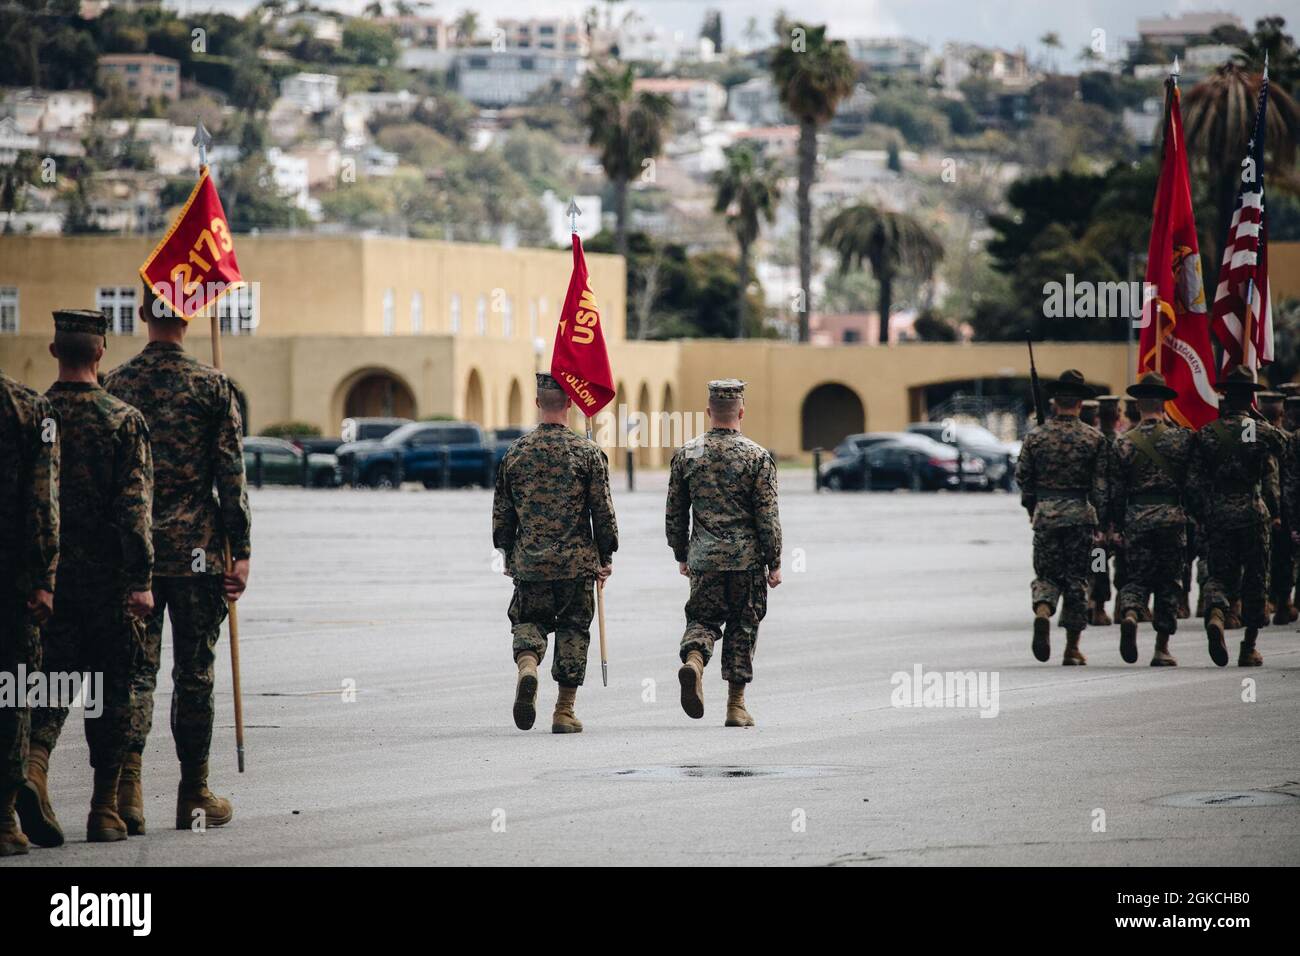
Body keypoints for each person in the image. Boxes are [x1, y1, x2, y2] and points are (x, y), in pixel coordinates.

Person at [103, 282, 251, 831]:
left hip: (133, 557)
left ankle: (128, 792)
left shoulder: (115, 383)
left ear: (141, 311)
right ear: (191, 312)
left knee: (135, 674)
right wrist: (242, 551)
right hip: (197, 554)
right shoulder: (213, 386)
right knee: (195, 673)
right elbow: (230, 477)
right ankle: (193, 791)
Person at [23, 311, 153, 846]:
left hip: (46, 580)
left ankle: (33, 770)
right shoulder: (122, 419)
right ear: (100, 353)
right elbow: (134, 509)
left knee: (49, 681)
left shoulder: (33, 416)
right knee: (112, 691)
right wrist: (142, 579)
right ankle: (104, 809)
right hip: (109, 582)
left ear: (55, 351)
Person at [492, 373, 617, 734]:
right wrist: (605, 555)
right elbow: (602, 512)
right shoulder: (588, 453)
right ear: (572, 404)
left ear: (537, 404)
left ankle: (528, 666)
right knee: (574, 630)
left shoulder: (515, 453)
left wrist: (506, 551)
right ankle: (564, 711)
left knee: (529, 622)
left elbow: (502, 511)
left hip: (530, 562)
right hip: (576, 565)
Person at [667, 380, 782, 726]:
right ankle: (735, 706)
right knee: (742, 628)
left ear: (708, 412)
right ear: (741, 412)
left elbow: (675, 512)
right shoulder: (757, 457)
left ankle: (694, 662)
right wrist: (774, 560)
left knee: (702, 620)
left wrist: (681, 554)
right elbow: (767, 516)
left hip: (704, 559)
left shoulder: (688, 454)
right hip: (746, 563)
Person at [1188, 366, 1285, 666]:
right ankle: (1248, 646)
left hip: (1218, 514)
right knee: (1256, 578)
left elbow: (1192, 482)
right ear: (1250, 399)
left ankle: (1216, 614)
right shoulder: (1255, 430)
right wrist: (1260, 421)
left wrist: (1204, 513)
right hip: (1252, 513)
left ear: (1225, 398)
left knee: (1219, 574)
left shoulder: (1206, 434)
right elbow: (1285, 446)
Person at [0, 366, 59, 857]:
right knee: (13, 692)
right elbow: (42, 505)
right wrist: (43, 578)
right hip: (12, 581)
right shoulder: (26, 408)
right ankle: (2, 819)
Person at [1015, 370, 1108, 665]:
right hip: (1080, 516)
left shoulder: (1036, 436)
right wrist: (1103, 522)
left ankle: (1043, 610)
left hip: (1046, 516)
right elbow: (1101, 486)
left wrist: (1033, 507)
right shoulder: (1093, 438)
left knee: (1046, 576)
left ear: (1055, 403)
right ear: (1081, 403)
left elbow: (1023, 477)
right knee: (1077, 580)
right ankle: (1071, 648)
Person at [1108, 372, 1193, 666]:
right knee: (1169, 582)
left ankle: (1130, 613)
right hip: (1172, 518)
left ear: (1138, 405)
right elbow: (1193, 484)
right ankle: (1161, 648)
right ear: (1164, 404)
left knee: (1136, 577)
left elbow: (1114, 492)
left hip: (1136, 519)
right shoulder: (1182, 439)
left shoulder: (1122, 443)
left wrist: (1115, 527)